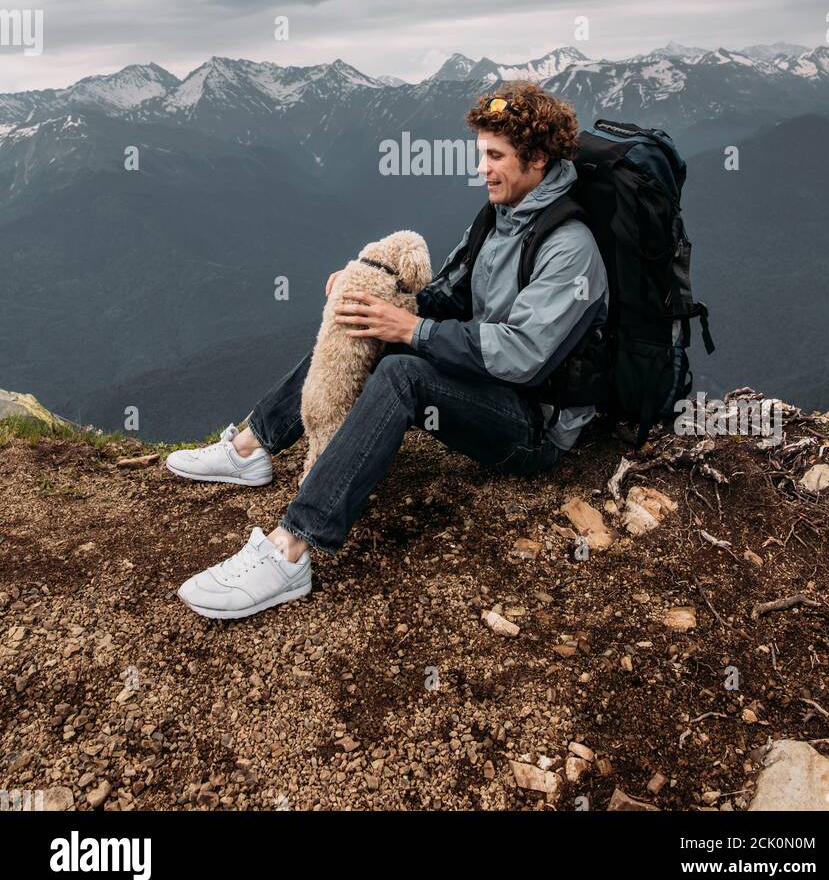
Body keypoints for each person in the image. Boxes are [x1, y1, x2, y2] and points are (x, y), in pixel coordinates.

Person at [169, 80, 608, 619]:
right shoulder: (501, 217)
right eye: (481, 155)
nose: (483, 169)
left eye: (496, 157)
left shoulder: (569, 247)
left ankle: (291, 550)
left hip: (534, 425)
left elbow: (522, 354)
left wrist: (411, 330)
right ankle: (251, 447)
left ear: (537, 159)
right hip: (495, 385)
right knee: (365, 320)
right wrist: (372, 288)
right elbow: (446, 295)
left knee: (404, 371)